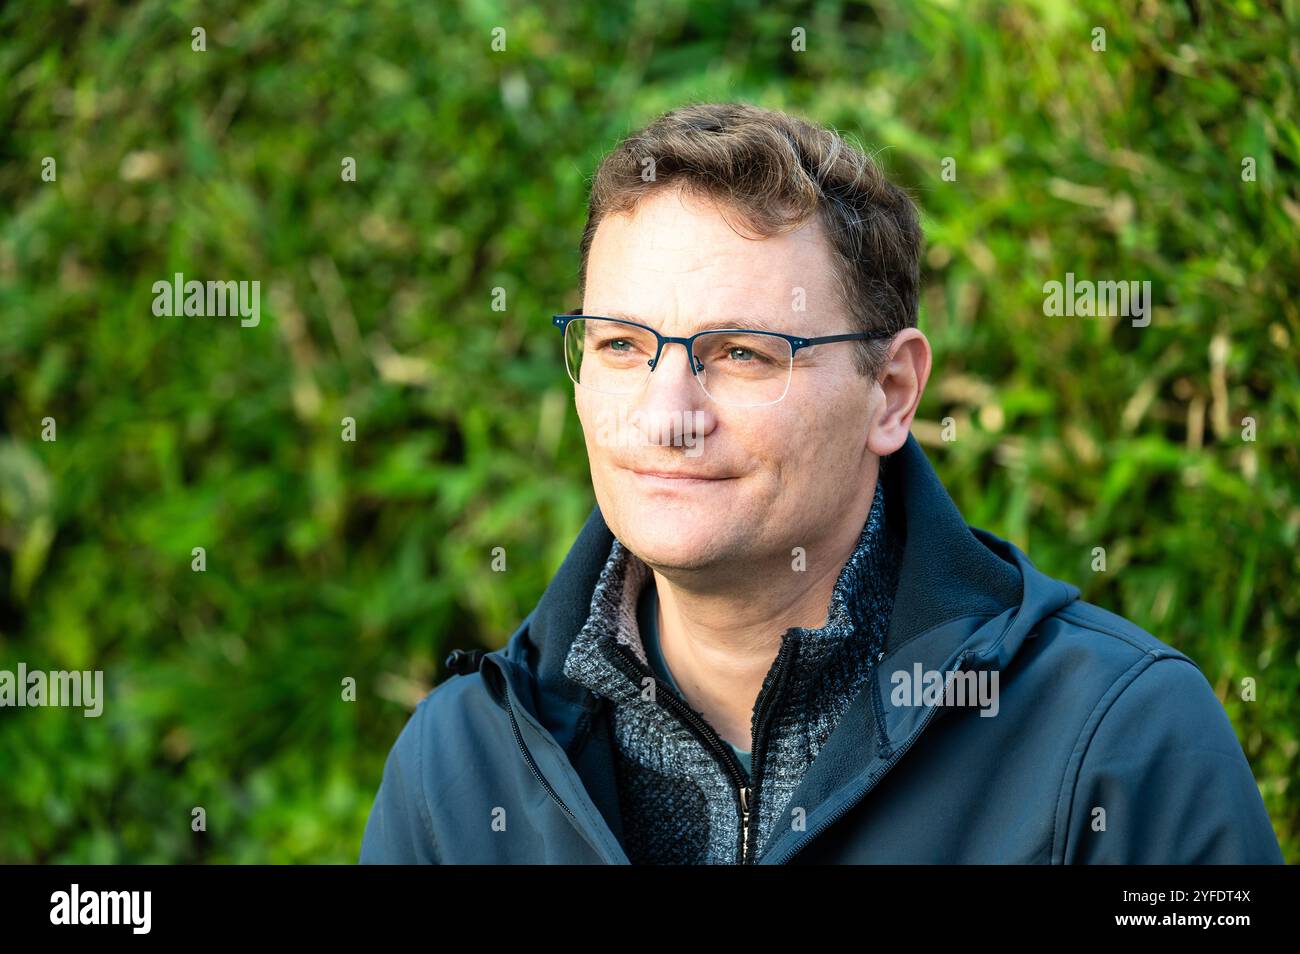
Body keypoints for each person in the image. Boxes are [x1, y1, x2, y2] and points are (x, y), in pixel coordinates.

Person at [360, 102, 1283, 864]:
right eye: (621, 346)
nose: (667, 414)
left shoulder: (1117, 741)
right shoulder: (459, 769)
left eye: (743, 354)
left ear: (891, 392)